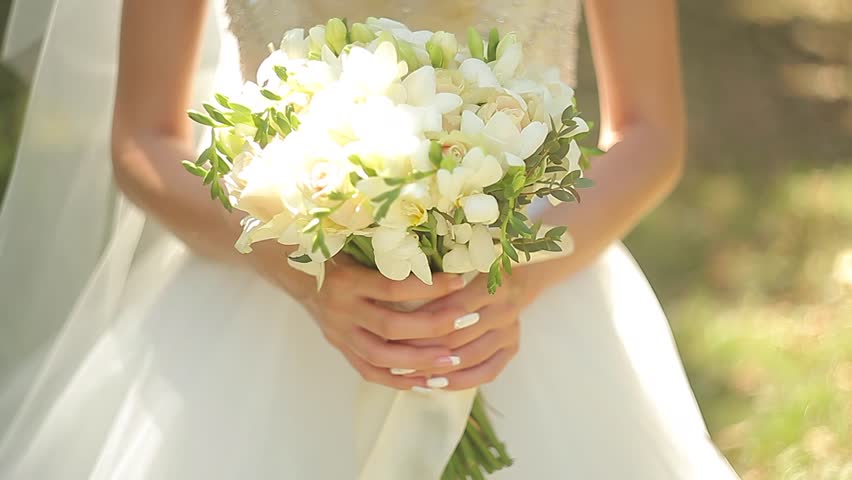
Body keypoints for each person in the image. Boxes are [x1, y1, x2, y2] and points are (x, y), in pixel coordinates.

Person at [0, 0, 739, 478]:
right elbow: (143, 139)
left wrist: (519, 277)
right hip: (266, 303)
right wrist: (297, 271)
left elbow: (650, 131)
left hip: (525, 292)